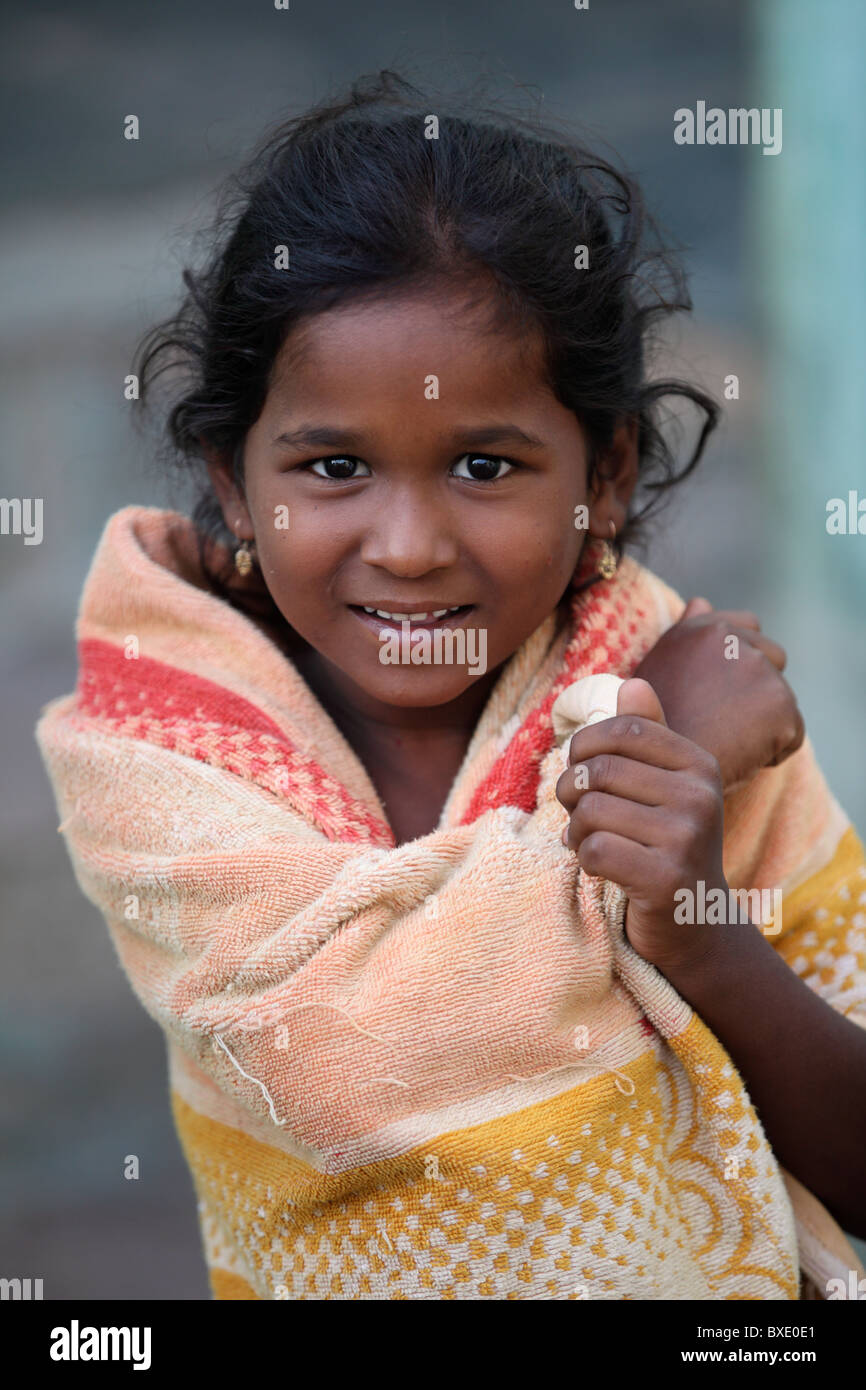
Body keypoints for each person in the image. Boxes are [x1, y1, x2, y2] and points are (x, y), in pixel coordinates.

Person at [35, 71, 866, 1300]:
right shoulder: (155, 745)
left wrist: (699, 931)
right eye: (332, 465)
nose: (411, 543)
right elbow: (332, 1070)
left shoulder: (676, 719)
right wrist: (639, 811)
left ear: (608, 474)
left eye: (485, 464)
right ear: (230, 480)